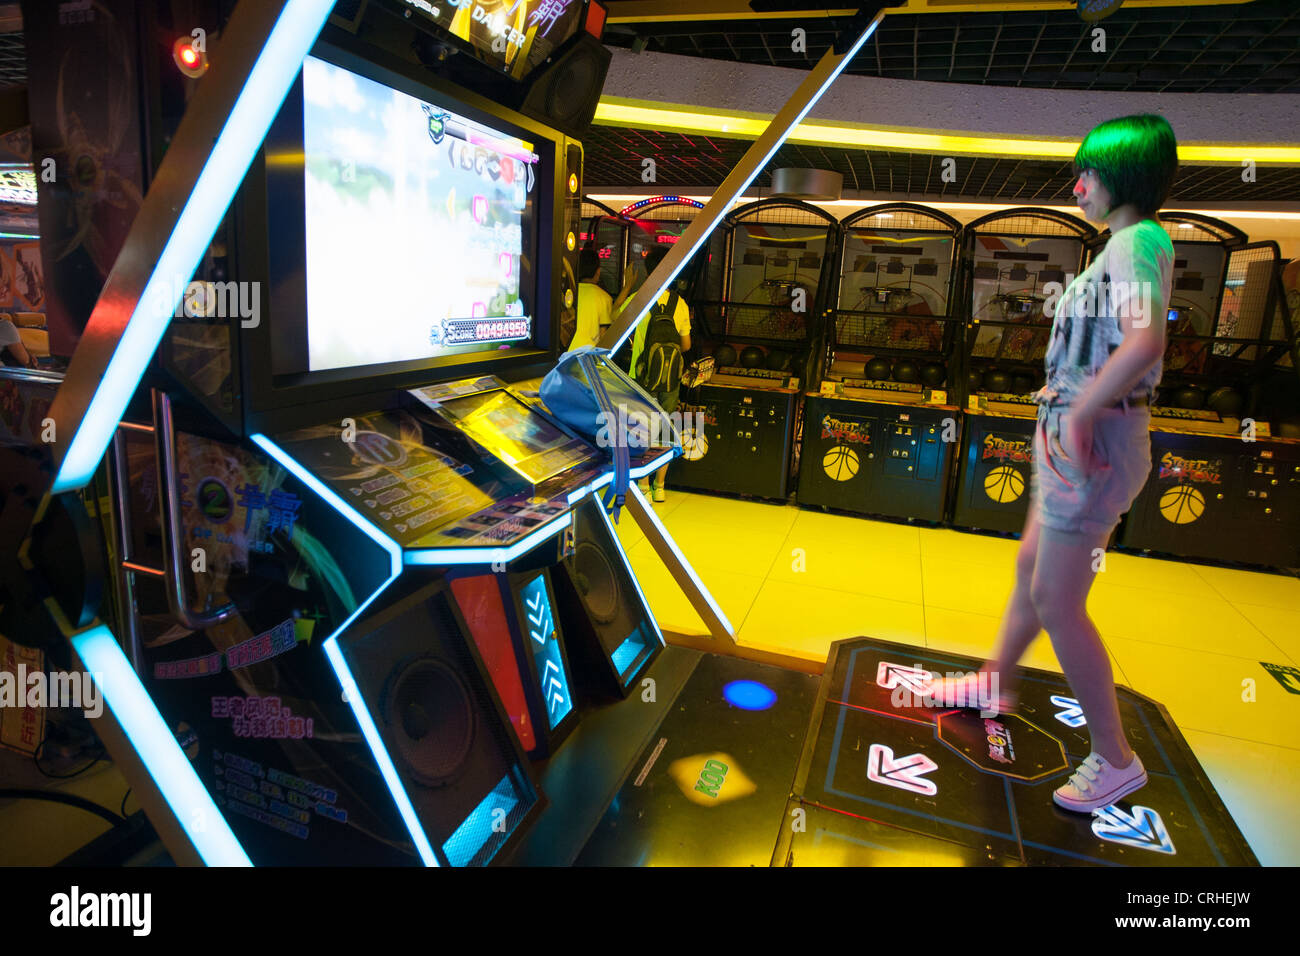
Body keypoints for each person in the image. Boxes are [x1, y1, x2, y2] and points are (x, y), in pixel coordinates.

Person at [926, 115, 1178, 813]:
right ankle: (995, 683)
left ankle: (1116, 759)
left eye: (1088, 174)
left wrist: (1082, 414)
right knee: (1032, 570)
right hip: (1078, 436)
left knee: (1058, 603)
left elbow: (1144, 342)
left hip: (1092, 443)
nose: (1078, 186)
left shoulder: (1135, 243)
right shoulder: (1128, 246)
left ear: (1120, 176)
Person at [625, 244, 691, 503]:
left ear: (647, 270)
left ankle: (641, 482)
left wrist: (629, 287)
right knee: (666, 428)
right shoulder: (680, 304)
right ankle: (660, 486)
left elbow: (614, 319)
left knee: (641, 428)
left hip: (640, 377)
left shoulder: (638, 299)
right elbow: (686, 345)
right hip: (670, 379)